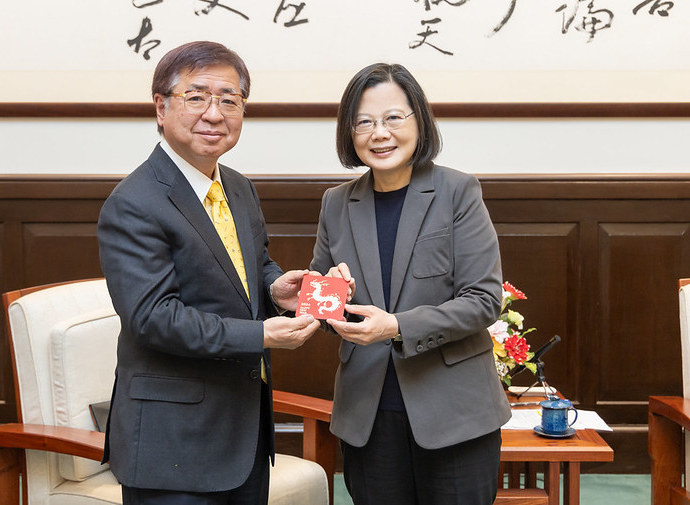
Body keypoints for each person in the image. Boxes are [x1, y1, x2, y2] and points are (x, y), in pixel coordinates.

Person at [97, 40, 320, 505]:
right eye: (196, 97)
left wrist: (274, 286)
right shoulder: (134, 203)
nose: (214, 114)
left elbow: (251, 264)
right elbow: (155, 319)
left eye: (229, 99)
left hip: (243, 432)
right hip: (174, 443)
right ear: (161, 107)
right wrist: (262, 335)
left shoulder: (237, 186)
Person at [310, 63, 511, 504]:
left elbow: (483, 301)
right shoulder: (336, 203)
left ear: (419, 120)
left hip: (455, 413)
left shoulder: (458, 191)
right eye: (364, 122)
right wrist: (327, 298)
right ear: (350, 133)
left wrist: (396, 327)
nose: (379, 133)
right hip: (369, 413)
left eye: (393, 118)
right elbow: (325, 304)